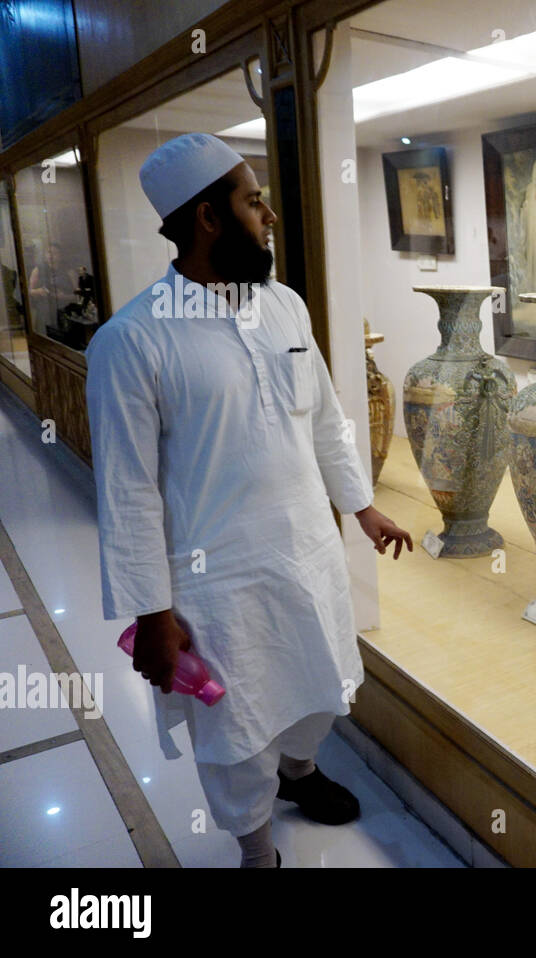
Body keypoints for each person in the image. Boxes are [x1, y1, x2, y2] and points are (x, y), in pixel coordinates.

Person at [85, 133, 413, 868]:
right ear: (208, 217)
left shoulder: (285, 308)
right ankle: (258, 852)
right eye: (252, 199)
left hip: (306, 554)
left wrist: (361, 508)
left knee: (318, 683)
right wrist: (153, 614)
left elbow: (326, 419)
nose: (266, 215)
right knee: (237, 730)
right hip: (218, 582)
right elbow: (128, 493)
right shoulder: (132, 342)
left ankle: (300, 774)